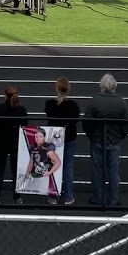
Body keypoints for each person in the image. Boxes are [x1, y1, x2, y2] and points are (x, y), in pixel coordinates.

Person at [84, 73, 128, 208]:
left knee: (97, 169)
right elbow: (126, 123)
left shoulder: (94, 101)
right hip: (114, 140)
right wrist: (121, 135)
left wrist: (91, 135)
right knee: (114, 171)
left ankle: (98, 197)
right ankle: (114, 198)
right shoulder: (121, 102)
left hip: (97, 140)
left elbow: (87, 122)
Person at [44, 77, 81, 205]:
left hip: (54, 140)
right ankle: (68, 195)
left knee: (53, 166)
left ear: (57, 89)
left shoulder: (50, 105)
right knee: (68, 166)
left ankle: (53, 195)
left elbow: (49, 113)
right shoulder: (73, 106)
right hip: (69, 138)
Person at [0, 85, 28, 204]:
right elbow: (24, 124)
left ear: (5, 95)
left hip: (1, 141)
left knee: (0, 168)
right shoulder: (21, 110)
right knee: (15, 170)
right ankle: (17, 197)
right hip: (15, 142)